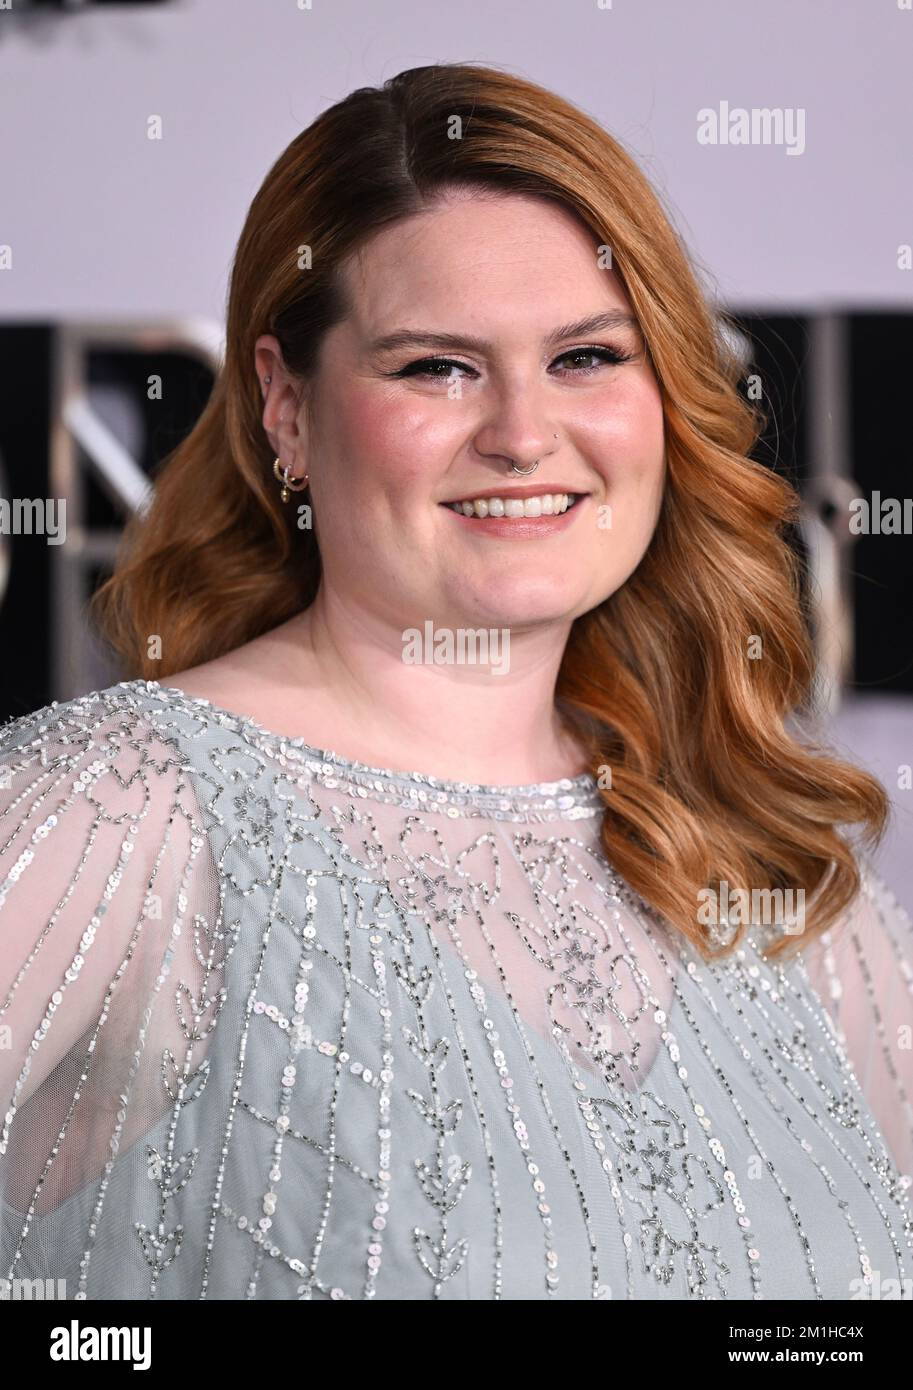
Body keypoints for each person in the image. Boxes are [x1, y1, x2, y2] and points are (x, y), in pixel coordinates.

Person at [1, 62, 911, 1302]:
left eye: (586, 356)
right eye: (438, 367)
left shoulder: (770, 863)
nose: (523, 436)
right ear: (285, 404)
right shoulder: (122, 808)